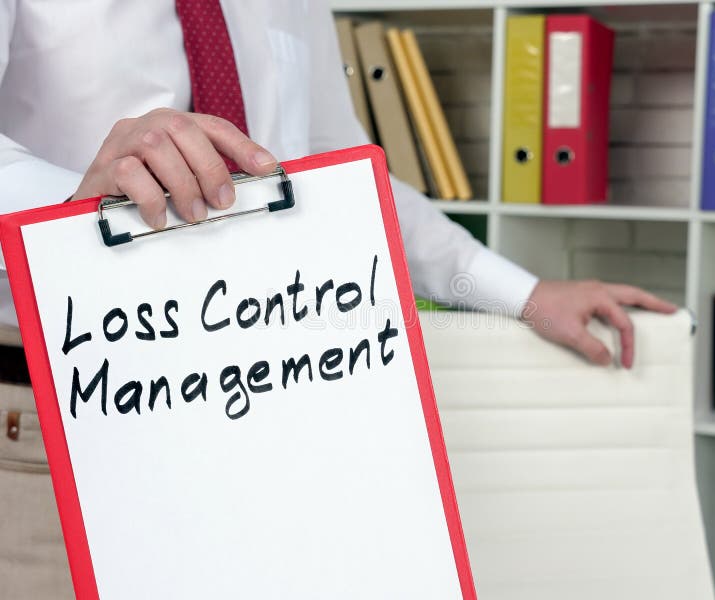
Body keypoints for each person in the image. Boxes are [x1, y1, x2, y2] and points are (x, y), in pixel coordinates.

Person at [0, 1, 675, 597]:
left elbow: (349, 180)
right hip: (63, 425)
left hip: (278, 411)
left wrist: (522, 292)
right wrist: (70, 202)